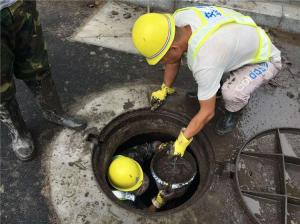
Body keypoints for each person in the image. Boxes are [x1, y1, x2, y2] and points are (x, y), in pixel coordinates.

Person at [131, 6, 282, 156]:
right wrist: (165, 88)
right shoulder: (178, 21)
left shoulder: (205, 60)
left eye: (162, 58)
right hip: (240, 38)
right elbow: (172, 60)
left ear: (175, 49)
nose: (162, 63)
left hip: (264, 59)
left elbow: (207, 112)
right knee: (207, 74)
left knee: (231, 93)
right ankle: (213, 89)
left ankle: (234, 111)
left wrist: (182, 141)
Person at [0, 0, 87, 161]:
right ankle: (19, 132)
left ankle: (53, 112)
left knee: (37, 65)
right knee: (1, 85)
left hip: (20, 5)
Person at [107, 141, 180, 210]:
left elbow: (148, 148)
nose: (144, 184)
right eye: (139, 187)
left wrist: (159, 147)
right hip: (137, 201)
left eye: (142, 180)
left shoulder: (126, 159)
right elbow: (141, 216)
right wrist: (157, 203)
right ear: (124, 189)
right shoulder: (120, 199)